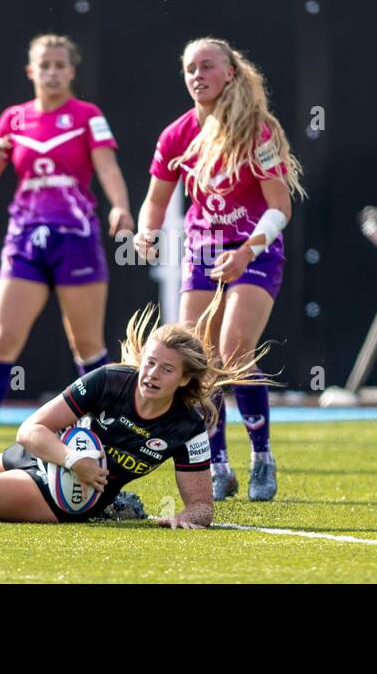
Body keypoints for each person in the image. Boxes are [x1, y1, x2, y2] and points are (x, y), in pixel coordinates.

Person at [0, 288, 271, 526]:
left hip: (67, 494)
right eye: (150, 363)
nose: (151, 374)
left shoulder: (187, 426)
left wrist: (187, 518)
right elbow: (30, 431)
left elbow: (202, 507)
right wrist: (76, 461)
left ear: (184, 379)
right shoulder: (109, 380)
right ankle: (118, 506)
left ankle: (108, 506)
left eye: (166, 369)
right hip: (44, 455)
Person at [0, 34, 134, 466]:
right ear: (30, 71)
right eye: (43, 65)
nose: (51, 72)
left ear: (72, 71)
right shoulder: (13, 119)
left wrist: (120, 206)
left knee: (86, 343)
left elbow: (107, 166)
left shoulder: (87, 116)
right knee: (3, 337)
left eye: (59, 64)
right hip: (25, 239)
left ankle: (103, 434)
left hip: (76, 238)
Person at [135, 37, 307, 501]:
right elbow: (156, 198)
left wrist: (247, 251)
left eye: (206, 66)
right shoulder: (177, 133)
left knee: (234, 349)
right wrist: (145, 232)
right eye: (190, 68)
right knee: (197, 361)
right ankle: (218, 464)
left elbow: (280, 206)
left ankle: (262, 458)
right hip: (204, 250)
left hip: (254, 249)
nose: (197, 75)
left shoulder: (258, 130)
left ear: (230, 72)